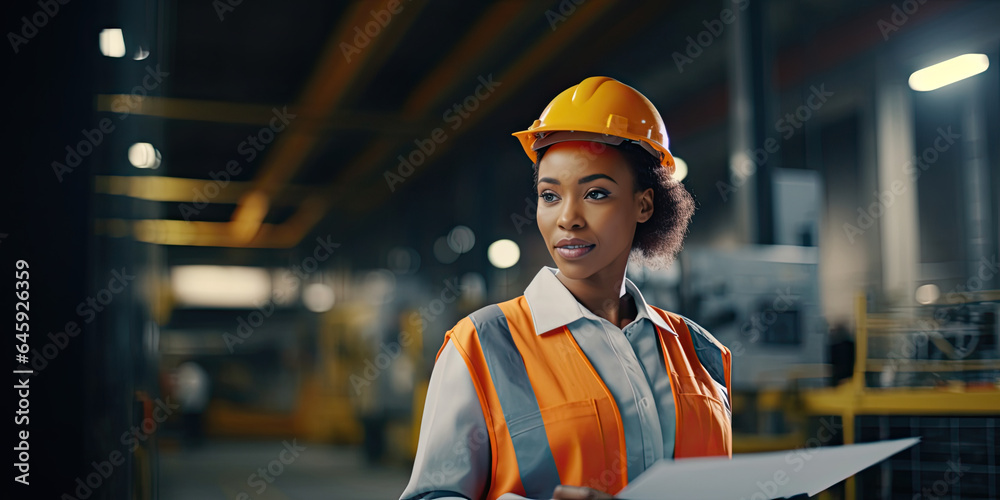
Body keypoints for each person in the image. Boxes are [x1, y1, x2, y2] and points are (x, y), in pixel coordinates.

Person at [399, 77, 733, 500]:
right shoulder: (481, 346)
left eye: (596, 193)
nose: (568, 218)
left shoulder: (702, 352)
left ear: (644, 204)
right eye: (550, 195)